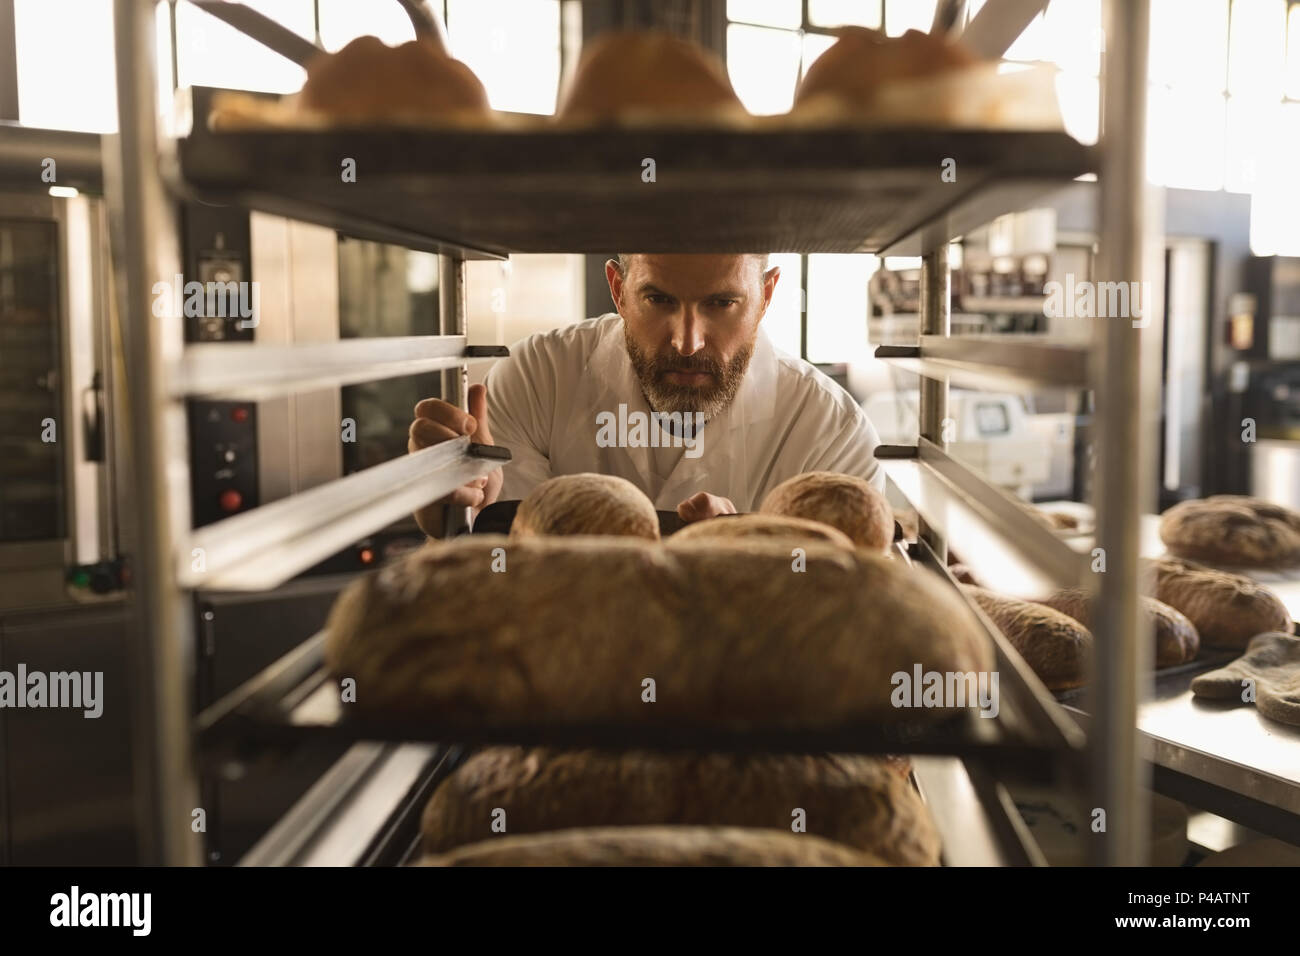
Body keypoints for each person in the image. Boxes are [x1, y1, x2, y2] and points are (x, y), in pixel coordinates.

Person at [408, 253, 883, 535]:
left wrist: (748, 568)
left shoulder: (830, 432)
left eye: (721, 303)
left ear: (767, 296)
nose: (687, 342)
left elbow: (841, 623)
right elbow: (502, 574)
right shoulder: (539, 377)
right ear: (618, 289)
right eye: (659, 300)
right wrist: (453, 523)